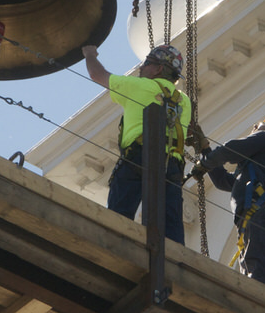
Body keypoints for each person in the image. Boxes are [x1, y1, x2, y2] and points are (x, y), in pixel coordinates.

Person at [82, 43, 192, 244]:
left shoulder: (140, 86)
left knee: (120, 215)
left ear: (158, 69)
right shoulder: (184, 101)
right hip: (173, 167)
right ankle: (176, 263)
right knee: (171, 223)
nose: (141, 68)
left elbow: (97, 74)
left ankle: (116, 247)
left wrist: (89, 54)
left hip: (139, 157)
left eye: (147, 63)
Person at [189, 117, 265, 289]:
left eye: (261, 124)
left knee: (258, 262)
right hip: (260, 214)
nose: (255, 126)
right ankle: (257, 298)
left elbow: (230, 149)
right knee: (252, 262)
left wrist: (206, 163)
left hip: (261, 212)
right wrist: (204, 149)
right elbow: (223, 181)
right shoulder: (258, 168)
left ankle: (263, 303)